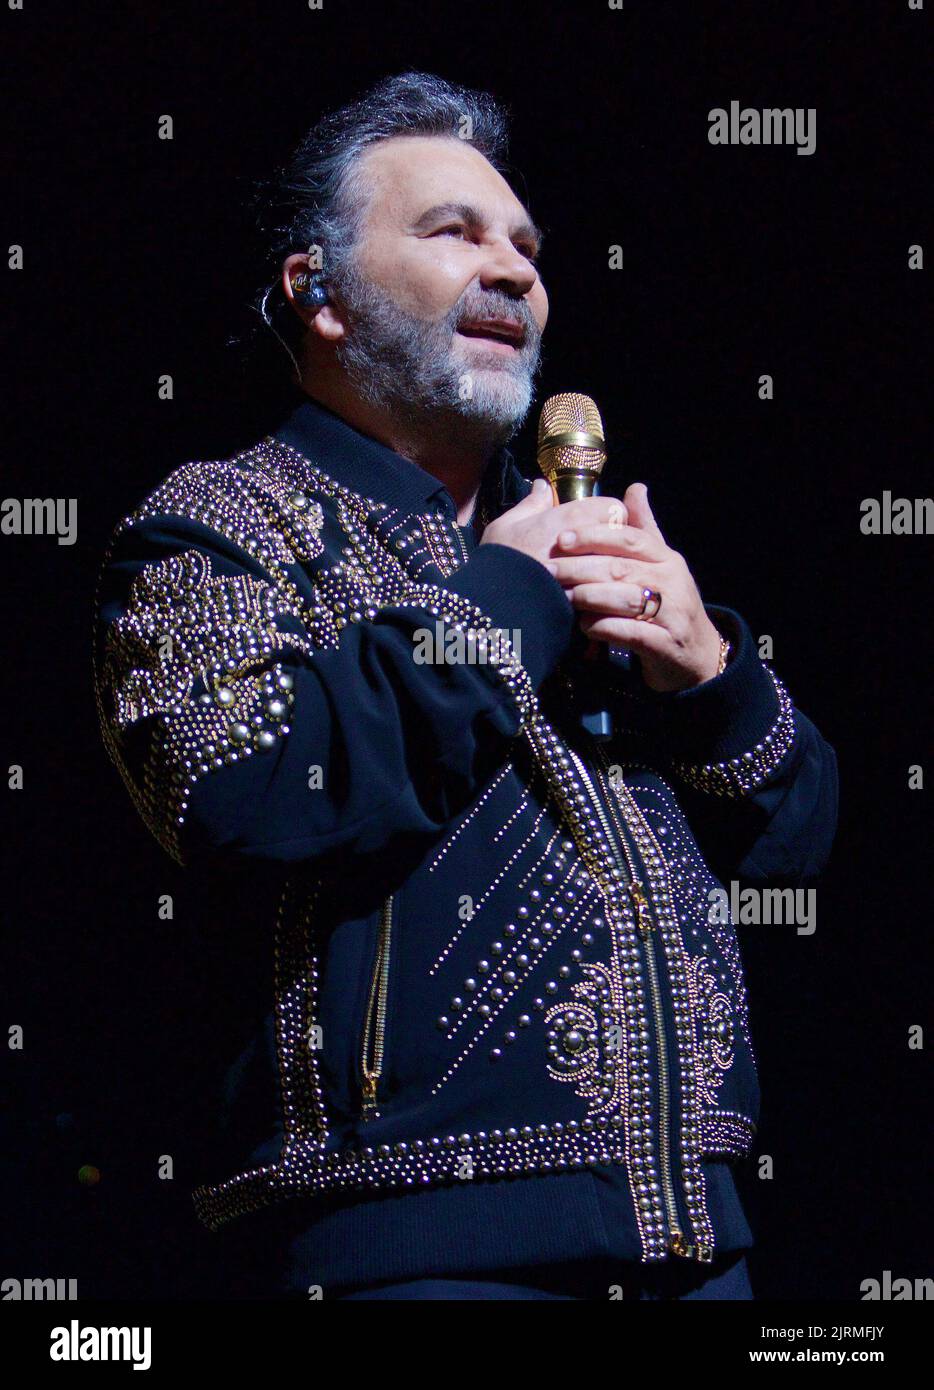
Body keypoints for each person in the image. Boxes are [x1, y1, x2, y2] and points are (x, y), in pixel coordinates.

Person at [93, 71, 837, 1300]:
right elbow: (249, 789)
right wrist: (503, 603)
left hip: (700, 1248)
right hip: (414, 1248)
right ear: (315, 293)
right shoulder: (219, 522)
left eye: (527, 247)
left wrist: (712, 675)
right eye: (452, 232)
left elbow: (797, 844)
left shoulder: (587, 546)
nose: (513, 270)